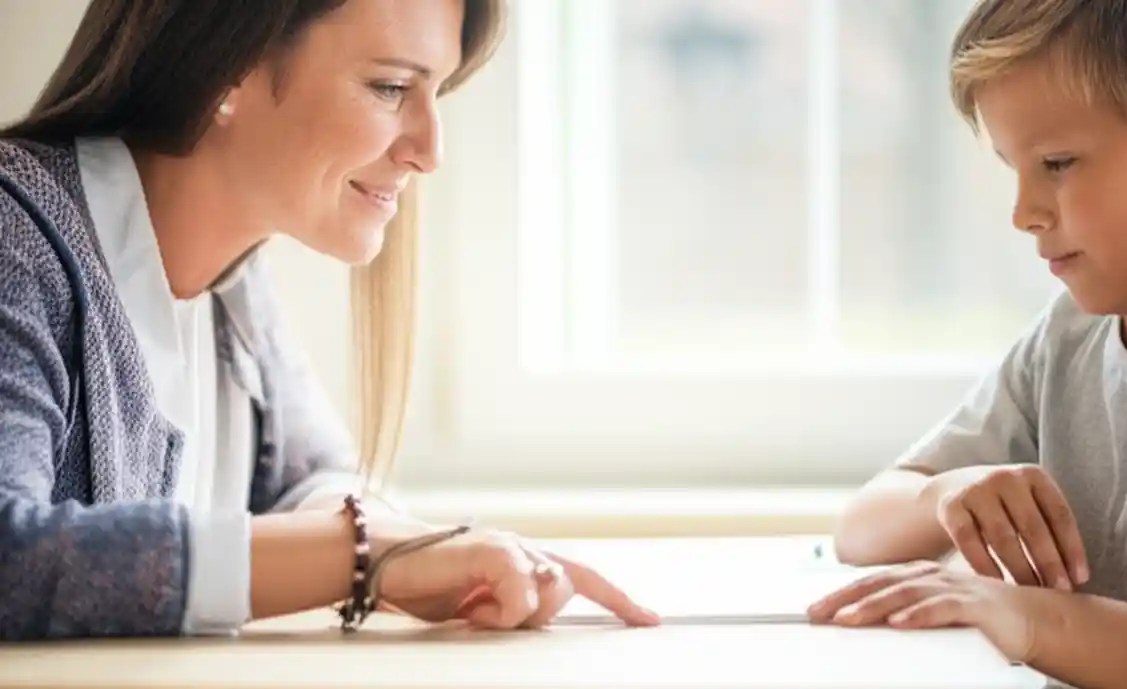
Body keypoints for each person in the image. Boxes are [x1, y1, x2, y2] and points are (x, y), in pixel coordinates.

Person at [0, 0, 658, 640]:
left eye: (437, 92)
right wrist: (363, 550)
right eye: (391, 87)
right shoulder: (15, 240)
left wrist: (416, 554)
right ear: (228, 64)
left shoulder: (234, 285)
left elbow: (309, 479)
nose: (430, 152)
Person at [807, 1, 1127, 689]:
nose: (1024, 211)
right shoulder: (1066, 339)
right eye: (1015, 168)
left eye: (1057, 163)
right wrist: (945, 492)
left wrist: (1026, 619)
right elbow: (862, 530)